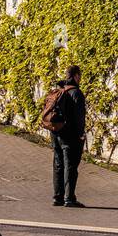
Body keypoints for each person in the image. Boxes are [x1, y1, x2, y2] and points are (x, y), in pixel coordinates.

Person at [49, 65, 87, 208]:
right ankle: (69, 198)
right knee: (70, 166)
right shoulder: (76, 93)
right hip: (69, 135)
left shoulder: (59, 90)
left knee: (58, 164)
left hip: (56, 133)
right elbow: (79, 117)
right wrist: (80, 134)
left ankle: (57, 197)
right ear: (76, 76)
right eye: (79, 75)